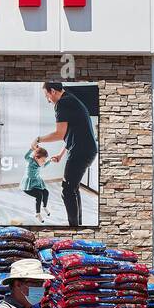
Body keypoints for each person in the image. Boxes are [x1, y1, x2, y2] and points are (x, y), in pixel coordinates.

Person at [36, 82, 98, 227]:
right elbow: (71, 133)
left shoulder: (62, 103)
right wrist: (60, 154)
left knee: (67, 189)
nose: (48, 100)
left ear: (52, 91)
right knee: (73, 188)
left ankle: (74, 227)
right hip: (85, 149)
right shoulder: (71, 99)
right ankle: (77, 224)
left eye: (47, 96)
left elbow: (59, 134)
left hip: (81, 151)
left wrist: (38, 139)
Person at [22, 143, 54, 221]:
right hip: (28, 185)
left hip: (37, 183)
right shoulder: (31, 161)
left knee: (46, 192)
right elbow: (26, 157)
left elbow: (44, 165)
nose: (44, 161)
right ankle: (37, 213)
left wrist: (50, 160)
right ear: (36, 158)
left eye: (45, 160)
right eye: (43, 160)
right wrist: (32, 149)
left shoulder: (40, 163)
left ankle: (44, 207)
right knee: (39, 196)